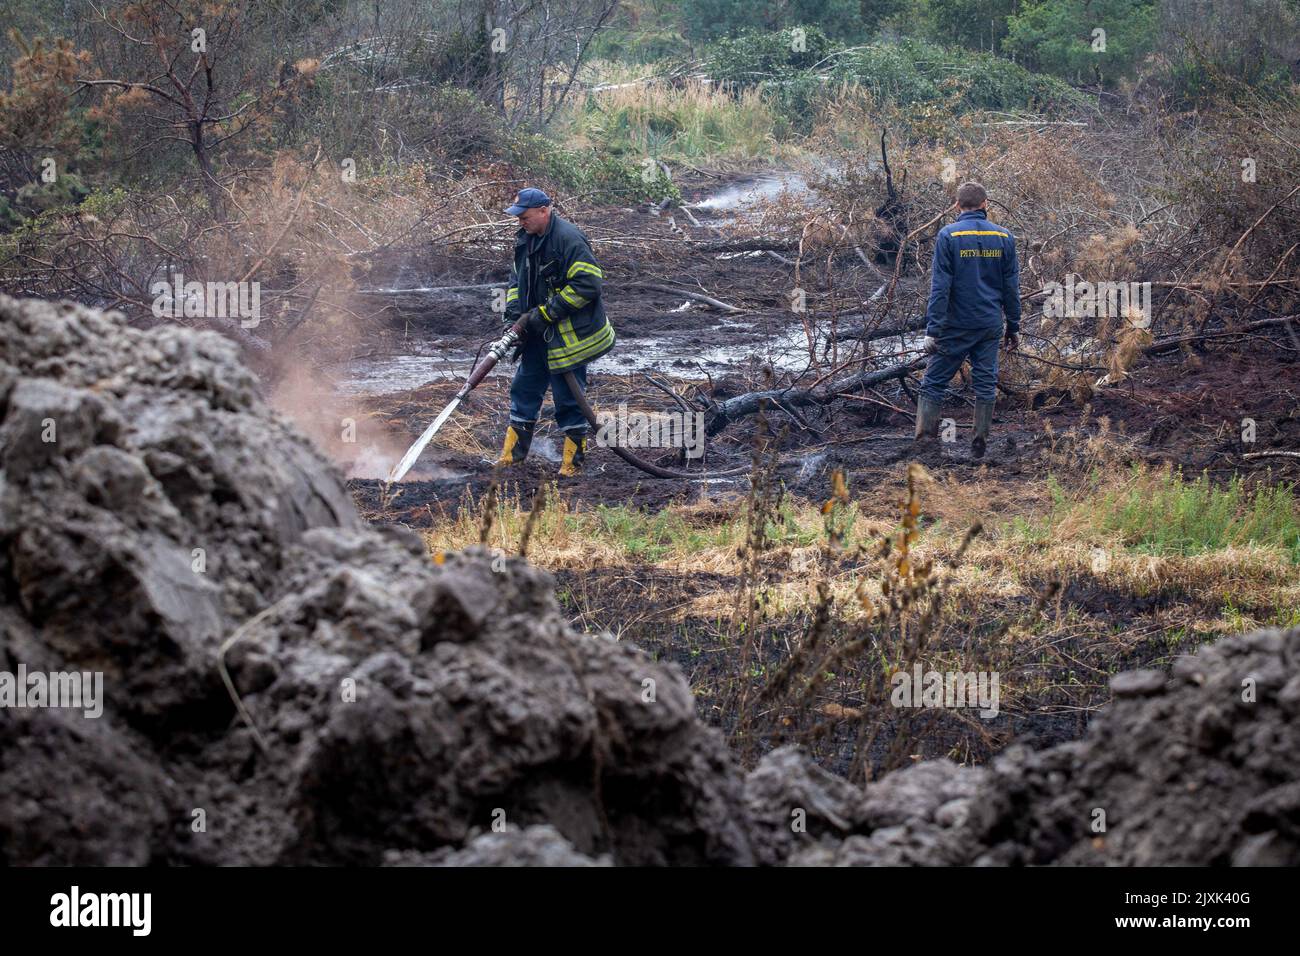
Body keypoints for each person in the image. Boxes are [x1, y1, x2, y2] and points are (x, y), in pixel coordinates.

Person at [496, 188, 615, 476]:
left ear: (544, 210)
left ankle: (572, 465)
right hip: (537, 333)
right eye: (518, 217)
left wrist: (546, 313)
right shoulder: (525, 239)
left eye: (525, 217)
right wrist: (515, 316)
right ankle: (512, 457)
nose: (520, 222)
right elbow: (516, 281)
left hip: (568, 337)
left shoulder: (568, 239)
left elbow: (588, 284)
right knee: (524, 388)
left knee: (569, 399)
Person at [914, 181, 1020, 461]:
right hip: (989, 324)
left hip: (955, 326)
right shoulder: (1005, 237)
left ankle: (925, 444)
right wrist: (1014, 325)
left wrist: (932, 330)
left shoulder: (948, 236)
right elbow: (1011, 287)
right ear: (986, 205)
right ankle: (979, 442)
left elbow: (940, 287)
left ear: (957, 206)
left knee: (933, 383)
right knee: (985, 383)